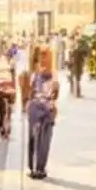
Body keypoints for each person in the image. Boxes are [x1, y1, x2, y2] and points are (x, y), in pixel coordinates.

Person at [20, 44, 60, 180]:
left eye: (46, 56)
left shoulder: (53, 74)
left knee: (45, 139)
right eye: (41, 56)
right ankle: (34, 168)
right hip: (36, 108)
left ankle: (40, 168)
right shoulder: (33, 73)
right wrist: (27, 103)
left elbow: (55, 92)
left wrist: (53, 102)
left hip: (47, 109)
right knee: (34, 137)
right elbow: (28, 91)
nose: (43, 60)